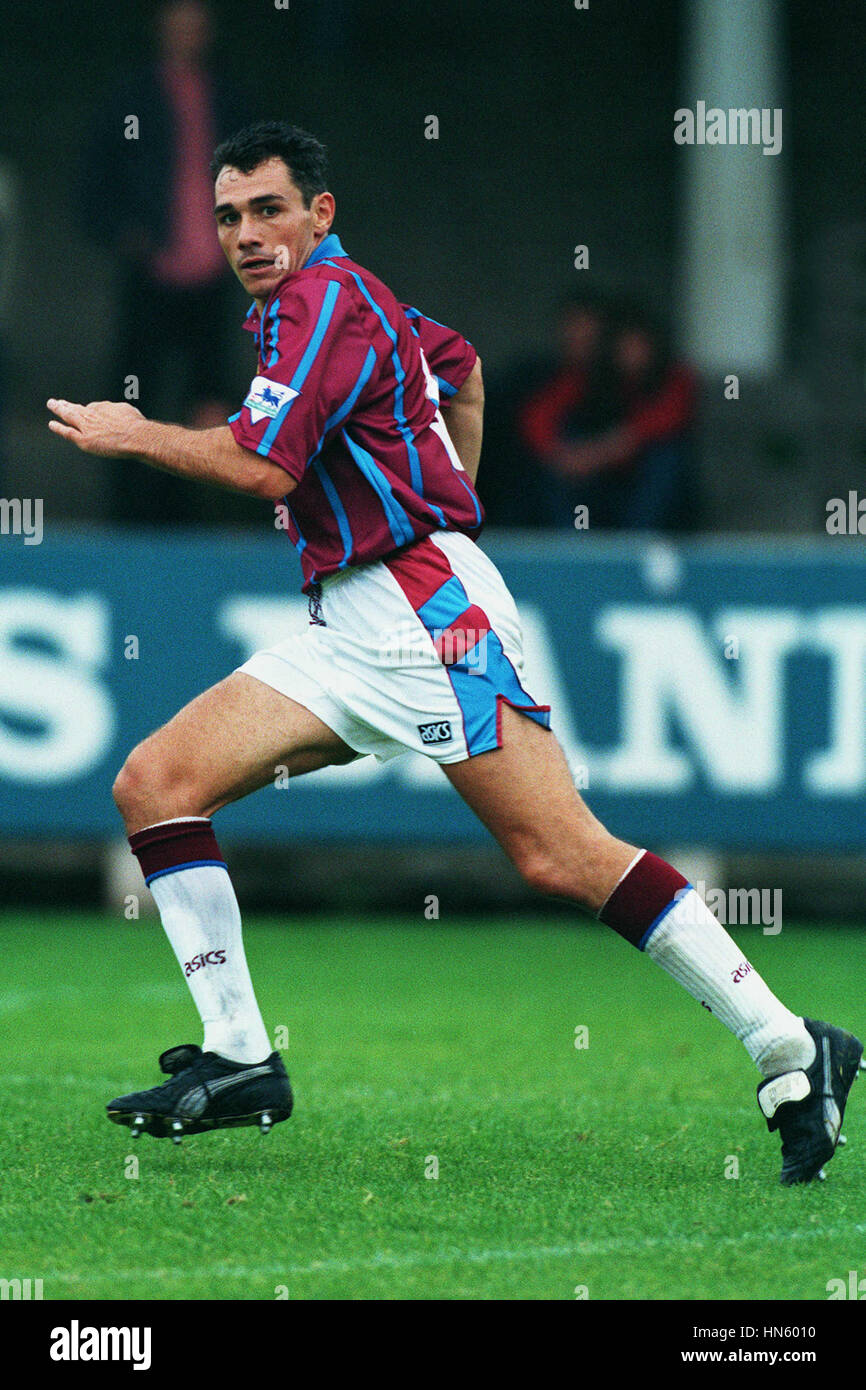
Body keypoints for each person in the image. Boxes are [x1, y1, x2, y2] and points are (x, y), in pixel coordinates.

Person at [48, 122, 859, 1185]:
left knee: (558, 853)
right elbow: (462, 369)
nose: (246, 234)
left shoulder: (320, 302)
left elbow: (262, 468)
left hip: (426, 614)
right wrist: (448, 496)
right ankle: (241, 1055)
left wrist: (134, 432)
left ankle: (790, 1048)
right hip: (353, 619)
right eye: (228, 216)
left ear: (320, 214)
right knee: (156, 783)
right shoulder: (347, 303)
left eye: (268, 209)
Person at [79, 0, 250, 522]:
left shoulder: (229, 97)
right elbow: (94, 178)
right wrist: (127, 233)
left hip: (214, 272)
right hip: (152, 271)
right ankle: (127, 517)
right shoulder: (133, 98)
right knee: (137, 390)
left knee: (209, 399)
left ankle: (197, 516)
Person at [519, 297, 697, 531]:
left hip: (649, 489)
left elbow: (665, 420)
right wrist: (563, 455)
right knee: (557, 458)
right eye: (625, 345)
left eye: (640, 345)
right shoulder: (591, 376)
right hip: (599, 484)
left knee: (667, 458)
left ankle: (637, 541)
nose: (632, 353)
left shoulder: (676, 377)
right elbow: (538, 416)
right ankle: (570, 540)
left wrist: (608, 449)